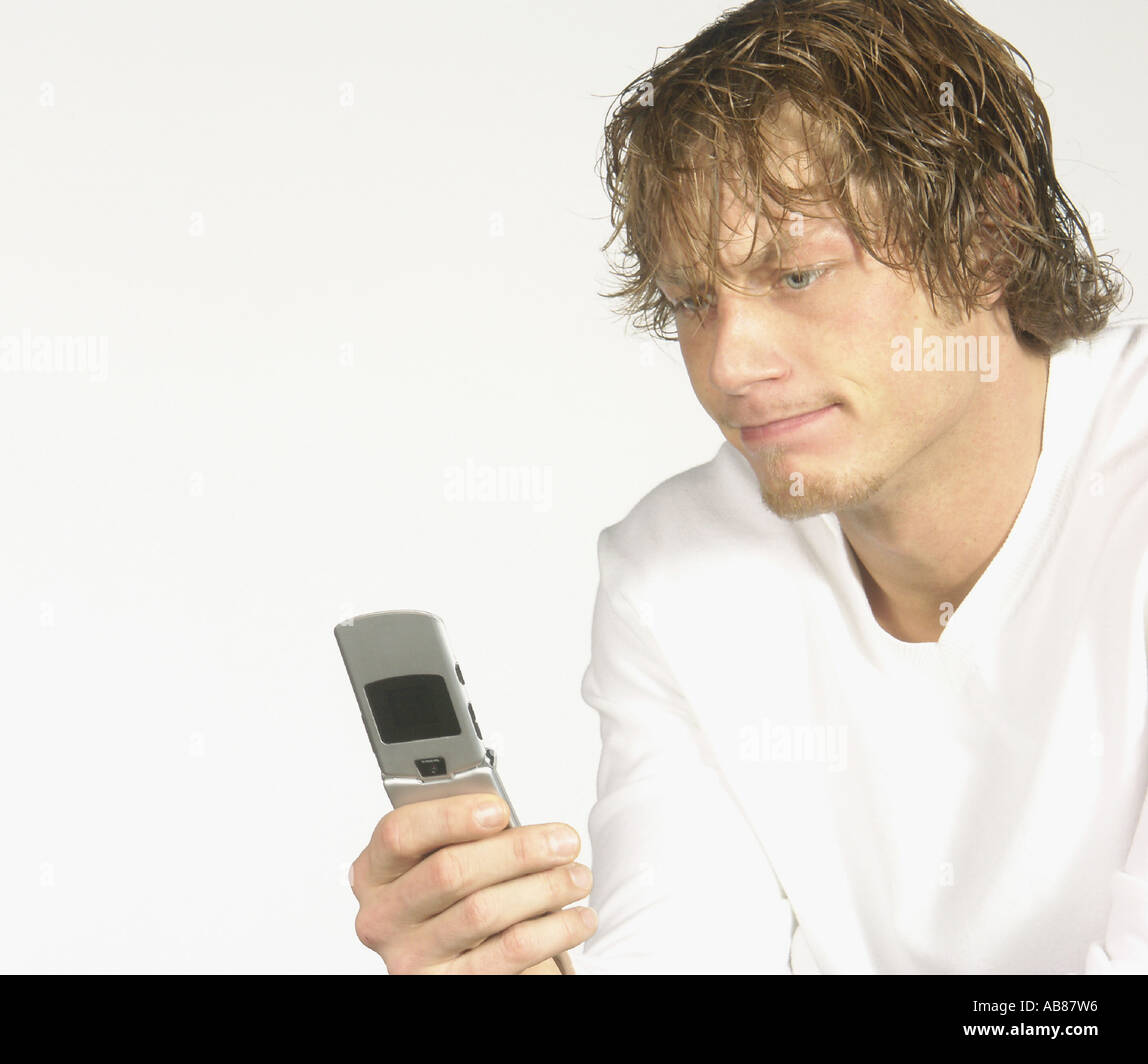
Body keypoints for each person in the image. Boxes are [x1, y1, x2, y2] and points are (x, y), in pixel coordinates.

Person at [347, 0, 1147, 974]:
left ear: (987, 234)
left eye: (798, 273)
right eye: (692, 300)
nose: (729, 361)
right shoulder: (669, 570)